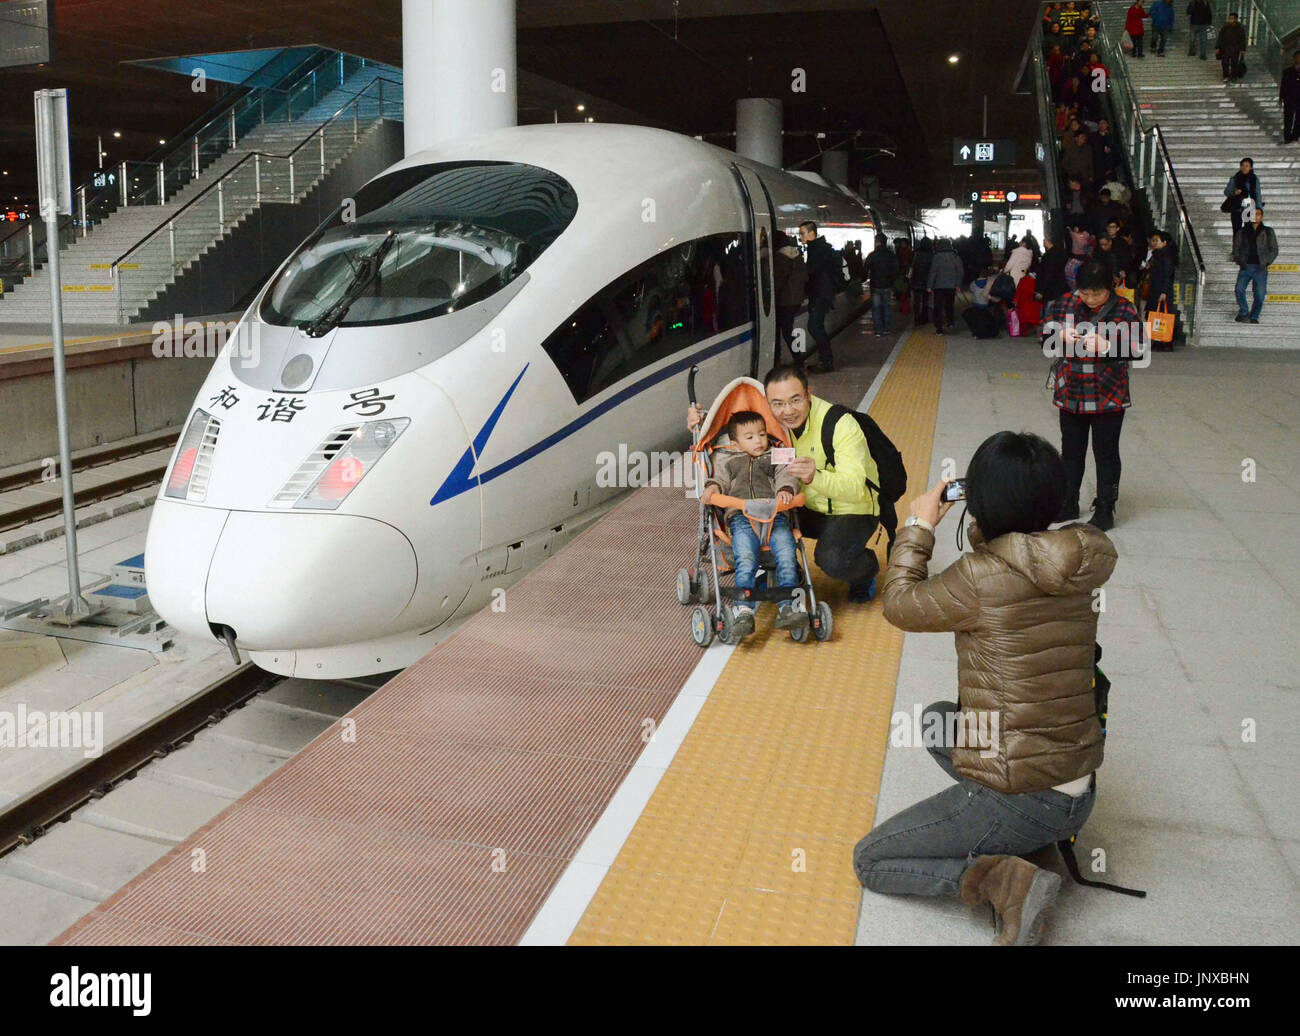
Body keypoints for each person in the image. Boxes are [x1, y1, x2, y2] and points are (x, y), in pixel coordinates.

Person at [854, 431, 1117, 946]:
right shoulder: (1079, 560)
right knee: (936, 719)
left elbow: (900, 603)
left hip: (1025, 794)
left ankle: (1005, 879)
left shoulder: (978, 577)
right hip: (1077, 785)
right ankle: (1027, 841)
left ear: (979, 502)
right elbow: (1017, 563)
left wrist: (918, 526)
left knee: (872, 859)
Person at [689, 365, 882, 603]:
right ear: (767, 404)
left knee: (832, 558)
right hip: (804, 505)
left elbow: (854, 488)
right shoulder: (774, 433)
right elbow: (739, 431)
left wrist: (815, 477)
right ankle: (786, 570)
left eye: (795, 400)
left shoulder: (841, 425)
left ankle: (865, 572)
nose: (787, 411)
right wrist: (703, 420)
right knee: (766, 526)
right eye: (777, 404)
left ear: (808, 394)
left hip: (851, 509)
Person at [1045, 261, 1140, 530]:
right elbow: (1045, 337)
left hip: (1108, 391)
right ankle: (1068, 501)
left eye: (1096, 293)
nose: (1089, 298)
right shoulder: (1064, 303)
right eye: (1084, 292)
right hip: (1071, 388)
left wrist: (1108, 345)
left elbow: (1139, 348)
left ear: (1109, 288)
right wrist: (1059, 335)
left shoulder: (1124, 308)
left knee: (1106, 451)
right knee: (1071, 450)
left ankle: (1106, 506)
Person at [700, 410, 803, 638]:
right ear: (735, 444)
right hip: (742, 518)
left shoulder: (775, 454)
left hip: (776, 518)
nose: (758, 440)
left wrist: (785, 489)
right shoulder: (728, 459)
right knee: (746, 559)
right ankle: (743, 608)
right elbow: (720, 480)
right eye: (750, 437)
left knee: (787, 557)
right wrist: (713, 488)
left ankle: (787, 606)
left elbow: (788, 474)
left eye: (762, 434)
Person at [799, 221, 839, 372]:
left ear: (811, 233)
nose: (800, 236)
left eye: (802, 233)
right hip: (821, 294)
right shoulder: (817, 248)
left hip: (821, 294)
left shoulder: (818, 250)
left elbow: (811, 272)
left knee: (814, 326)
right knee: (817, 326)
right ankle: (825, 359)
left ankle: (827, 361)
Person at [1233, 205, 1279, 323]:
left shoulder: (1268, 231)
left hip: (1260, 268)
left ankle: (1254, 316)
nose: (1255, 216)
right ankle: (1243, 311)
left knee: (1259, 294)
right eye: (1253, 214)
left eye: (1258, 214)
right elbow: (1236, 248)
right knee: (1239, 289)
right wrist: (1240, 261)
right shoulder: (1242, 231)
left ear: (1262, 217)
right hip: (1246, 267)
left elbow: (1274, 249)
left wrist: (1266, 262)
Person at [772, 230, 808, 366]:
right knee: (787, 329)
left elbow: (778, 281)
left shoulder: (780, 258)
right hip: (796, 299)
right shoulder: (798, 256)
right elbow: (805, 277)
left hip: (785, 301)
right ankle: (796, 358)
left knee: (785, 331)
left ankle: (797, 359)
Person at [927, 237, 965, 336]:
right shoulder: (956, 256)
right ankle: (950, 322)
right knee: (949, 305)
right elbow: (960, 271)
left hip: (938, 286)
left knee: (938, 307)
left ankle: (939, 328)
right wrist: (958, 284)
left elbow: (933, 272)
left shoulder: (936, 257)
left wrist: (929, 286)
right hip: (951, 286)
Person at [866, 235, 900, 337]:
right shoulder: (891, 255)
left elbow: (865, 268)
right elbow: (896, 269)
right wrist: (891, 281)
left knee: (876, 308)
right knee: (886, 307)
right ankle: (886, 329)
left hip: (875, 285)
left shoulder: (872, 255)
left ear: (877, 242)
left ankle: (878, 331)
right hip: (887, 285)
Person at [1223, 157, 1263, 239]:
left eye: (1247, 166)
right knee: (1237, 231)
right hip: (1237, 208)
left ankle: (1248, 250)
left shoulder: (1254, 179)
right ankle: (1236, 250)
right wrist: (1234, 192)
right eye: (1242, 165)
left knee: (1250, 231)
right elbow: (1226, 192)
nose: (1244, 168)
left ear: (1251, 167)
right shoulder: (1235, 178)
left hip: (1250, 208)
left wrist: (1259, 210)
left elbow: (1258, 194)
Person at [1036, 234, 1070, 305]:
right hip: (1063, 287)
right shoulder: (1063, 253)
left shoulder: (1047, 256)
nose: (1043, 242)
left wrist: (1041, 291)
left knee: (1049, 313)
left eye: (1044, 239)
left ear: (1048, 241)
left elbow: (1046, 274)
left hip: (1050, 290)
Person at [910, 237, 934, 326]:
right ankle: (924, 317)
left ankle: (917, 319)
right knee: (925, 300)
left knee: (916, 301)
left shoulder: (916, 253)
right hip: (927, 281)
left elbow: (911, 267)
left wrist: (909, 278)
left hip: (916, 280)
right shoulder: (932, 254)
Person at [1217, 11, 1246, 81]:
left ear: (1236, 19)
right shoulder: (1225, 27)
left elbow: (1243, 39)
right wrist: (1218, 47)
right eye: (1230, 18)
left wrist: (1243, 49)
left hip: (1235, 48)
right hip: (1225, 48)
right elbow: (1220, 37)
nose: (1230, 20)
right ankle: (1225, 76)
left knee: (1234, 63)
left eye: (1232, 18)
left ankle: (1233, 76)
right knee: (1225, 63)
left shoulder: (1239, 28)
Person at [1281, 50, 1300, 143]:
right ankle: (1287, 136)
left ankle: (1295, 135)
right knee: (1288, 118)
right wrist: (1281, 97)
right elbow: (1283, 85)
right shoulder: (1287, 71)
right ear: (1294, 58)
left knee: (1298, 119)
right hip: (1289, 98)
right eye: (1297, 57)